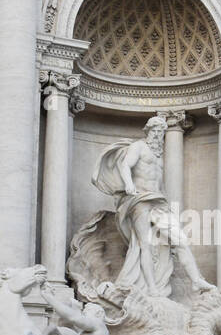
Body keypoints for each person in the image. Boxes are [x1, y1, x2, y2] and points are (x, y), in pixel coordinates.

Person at [92, 115, 214, 298]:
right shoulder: (138, 147)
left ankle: (196, 280)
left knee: (180, 239)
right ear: (148, 131)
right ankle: (152, 288)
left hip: (158, 201)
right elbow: (125, 165)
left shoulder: (159, 155)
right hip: (140, 200)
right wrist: (128, 184)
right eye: (156, 131)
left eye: (162, 132)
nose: (158, 135)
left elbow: (159, 183)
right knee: (145, 246)